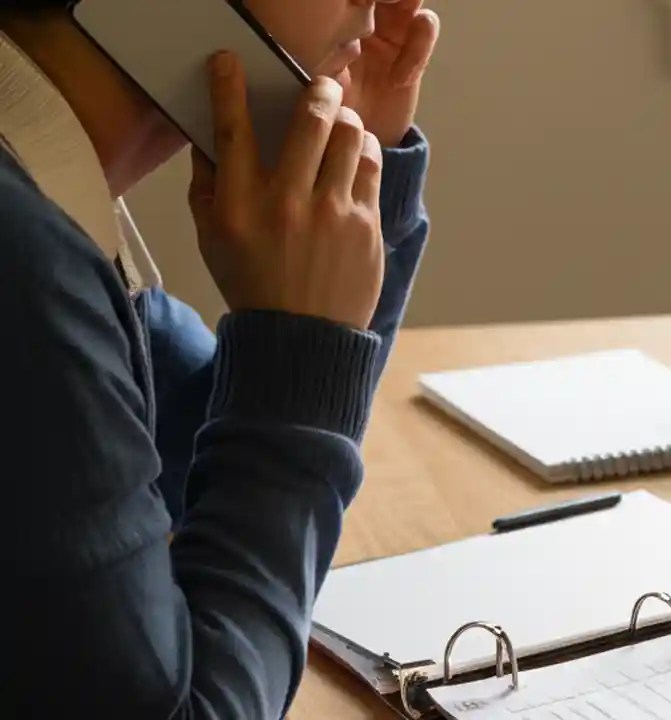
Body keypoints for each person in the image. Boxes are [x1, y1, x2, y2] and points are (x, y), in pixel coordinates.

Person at [0, 0, 439, 715]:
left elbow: (208, 459)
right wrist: (305, 352)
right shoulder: (22, 270)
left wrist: (356, 179)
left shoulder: (49, 203)